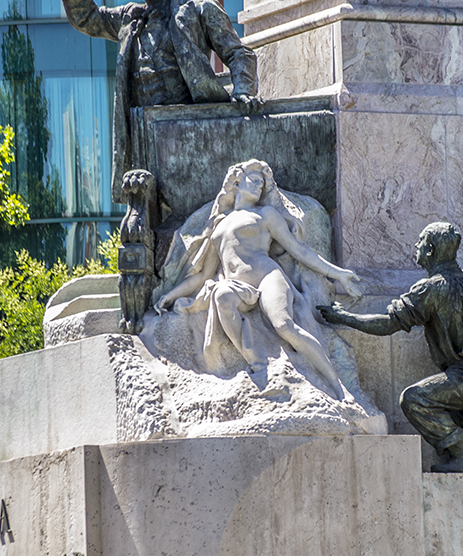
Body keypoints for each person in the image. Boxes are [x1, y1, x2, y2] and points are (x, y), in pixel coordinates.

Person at [318, 223, 463, 546]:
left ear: (429, 250)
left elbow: (389, 323)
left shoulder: (431, 289)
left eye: (419, 241)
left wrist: (344, 317)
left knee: (414, 400)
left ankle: (461, 456)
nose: (415, 247)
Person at [58, 0, 260, 202]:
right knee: (151, 210)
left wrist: (243, 90)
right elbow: (88, 18)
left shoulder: (199, 10)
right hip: (144, 130)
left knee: (192, 203)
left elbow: (237, 53)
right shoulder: (129, 18)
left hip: (189, 124)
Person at [153, 160, 359, 398]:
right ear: (237, 182)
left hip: (267, 278)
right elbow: (202, 276)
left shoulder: (266, 215)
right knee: (221, 295)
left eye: (262, 184)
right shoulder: (218, 227)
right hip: (237, 287)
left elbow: (299, 251)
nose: (259, 187)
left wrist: (338, 274)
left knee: (284, 326)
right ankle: (257, 363)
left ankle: (337, 384)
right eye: (255, 181)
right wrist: (169, 295)